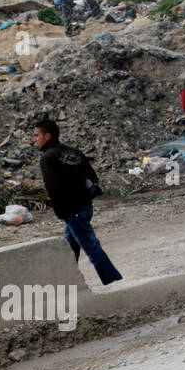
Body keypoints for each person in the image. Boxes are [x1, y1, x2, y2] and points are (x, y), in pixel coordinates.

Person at [33, 119, 122, 285]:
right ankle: (67, 282)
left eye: (37, 135)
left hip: (72, 211)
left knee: (91, 247)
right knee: (69, 248)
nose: (34, 139)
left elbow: (53, 188)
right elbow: (93, 177)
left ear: (47, 136)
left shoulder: (48, 158)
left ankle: (113, 282)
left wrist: (61, 212)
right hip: (85, 207)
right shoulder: (73, 152)